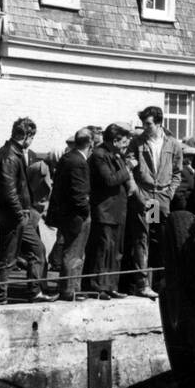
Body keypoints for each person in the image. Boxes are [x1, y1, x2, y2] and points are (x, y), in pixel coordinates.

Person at [124, 106, 182, 300]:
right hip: (146, 197)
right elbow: (128, 168)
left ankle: (161, 282)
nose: (145, 127)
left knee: (161, 240)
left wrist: (170, 193)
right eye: (143, 123)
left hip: (161, 198)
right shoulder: (137, 143)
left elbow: (177, 173)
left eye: (148, 123)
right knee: (143, 238)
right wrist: (136, 192)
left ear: (159, 123)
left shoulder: (173, 144)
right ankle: (143, 283)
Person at [0, 117, 51, 304]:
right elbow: (9, 191)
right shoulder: (10, 156)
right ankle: (7, 296)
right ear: (27, 136)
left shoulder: (10, 153)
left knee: (27, 252)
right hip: (15, 216)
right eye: (31, 137)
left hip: (14, 214)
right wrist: (20, 214)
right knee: (15, 255)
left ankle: (29, 292)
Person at [86, 123, 138, 297]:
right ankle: (98, 287)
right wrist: (128, 167)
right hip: (106, 210)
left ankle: (111, 286)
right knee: (103, 250)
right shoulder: (99, 155)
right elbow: (110, 180)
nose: (126, 145)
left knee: (116, 250)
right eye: (124, 141)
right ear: (115, 140)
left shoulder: (115, 154)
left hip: (118, 211)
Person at [47, 127, 93, 299]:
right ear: (90, 143)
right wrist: (86, 211)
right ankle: (70, 290)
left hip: (67, 214)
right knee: (74, 253)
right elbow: (79, 193)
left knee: (70, 251)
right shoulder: (79, 162)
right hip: (77, 215)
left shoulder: (67, 158)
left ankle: (70, 288)